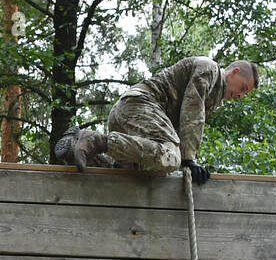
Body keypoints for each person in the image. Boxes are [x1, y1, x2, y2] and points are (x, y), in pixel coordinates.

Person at [66, 58, 259, 183]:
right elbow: (193, 111)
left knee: (131, 178)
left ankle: (80, 151)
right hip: (141, 104)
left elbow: (182, 124)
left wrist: (191, 164)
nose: (241, 95)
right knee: (171, 157)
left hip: (130, 112)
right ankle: (95, 141)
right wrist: (188, 159)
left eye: (245, 94)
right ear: (234, 72)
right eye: (243, 88)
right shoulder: (209, 69)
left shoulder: (214, 97)